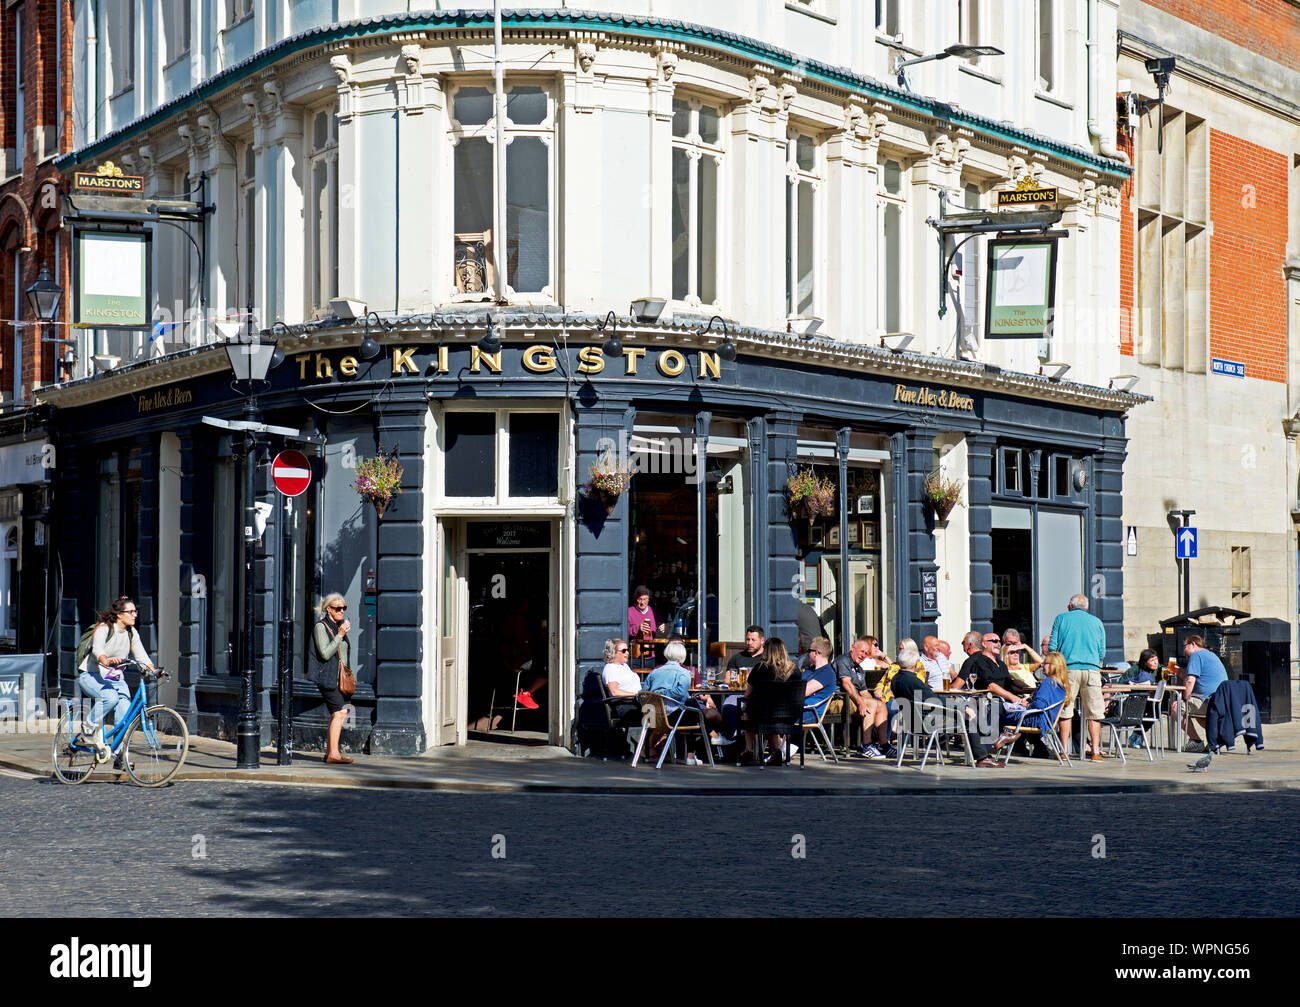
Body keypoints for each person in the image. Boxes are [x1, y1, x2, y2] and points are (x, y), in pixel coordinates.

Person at [76, 597, 156, 769]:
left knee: (125, 712)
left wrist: (154, 670)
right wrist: (105, 660)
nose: (135, 615)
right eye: (131, 612)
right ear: (119, 615)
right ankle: (87, 730)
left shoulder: (131, 633)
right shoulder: (104, 628)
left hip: (114, 678)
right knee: (110, 698)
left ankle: (119, 755)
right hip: (91, 675)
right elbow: (98, 650)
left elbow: (141, 655)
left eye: (136, 611)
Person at [889, 662, 999, 768]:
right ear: (914, 664)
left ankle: (987, 745)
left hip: (912, 724)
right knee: (967, 716)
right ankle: (983, 756)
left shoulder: (895, 680)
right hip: (927, 722)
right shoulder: (914, 681)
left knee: (968, 708)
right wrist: (963, 708)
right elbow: (934, 700)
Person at [1048, 594, 1107, 762]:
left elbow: (1052, 646)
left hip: (1068, 670)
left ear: (1070, 605)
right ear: (1086, 607)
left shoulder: (1061, 618)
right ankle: (1095, 751)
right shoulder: (1097, 622)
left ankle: (1063, 750)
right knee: (1094, 712)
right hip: (1092, 669)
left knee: (1066, 709)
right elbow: (1102, 651)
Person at [644, 640, 718, 763]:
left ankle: (690, 756)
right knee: (692, 708)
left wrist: (657, 695)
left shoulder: (654, 672)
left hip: (653, 717)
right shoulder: (684, 673)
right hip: (671, 718)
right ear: (683, 656)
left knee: (691, 710)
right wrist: (664, 694)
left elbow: (642, 695)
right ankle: (713, 735)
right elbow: (680, 694)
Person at [994, 651, 1070, 753]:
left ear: (1054, 666)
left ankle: (1001, 741)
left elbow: (1039, 705)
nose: (1042, 665)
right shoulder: (1061, 685)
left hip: (1036, 720)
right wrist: (1031, 699)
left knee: (1000, 713)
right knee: (1012, 714)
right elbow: (1047, 701)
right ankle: (1013, 739)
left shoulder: (1048, 681)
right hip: (1047, 721)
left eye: (1045, 663)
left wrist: (1028, 704)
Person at [312, 593, 355, 764]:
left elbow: (342, 655)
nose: (341, 611)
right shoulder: (321, 627)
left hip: (340, 679)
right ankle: (333, 754)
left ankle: (331, 752)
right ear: (328, 609)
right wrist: (340, 635)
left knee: (337, 714)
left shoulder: (338, 626)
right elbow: (325, 653)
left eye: (344, 608)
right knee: (340, 712)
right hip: (328, 677)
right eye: (338, 608)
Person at [832, 634, 889, 758]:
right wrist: (861, 703)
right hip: (839, 700)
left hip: (852, 699)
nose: (863, 655)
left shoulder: (859, 669)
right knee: (871, 704)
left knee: (880, 704)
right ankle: (866, 745)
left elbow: (864, 692)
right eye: (862, 651)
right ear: (853, 648)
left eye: (866, 653)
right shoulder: (843, 661)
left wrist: (876, 702)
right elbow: (847, 684)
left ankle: (883, 745)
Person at [1175, 635, 1228, 752]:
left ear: (1193, 644)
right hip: (1220, 701)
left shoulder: (1196, 656)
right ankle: (1216, 738)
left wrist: (1184, 698)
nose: (1184, 650)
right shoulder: (1210, 655)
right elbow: (1192, 678)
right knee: (1199, 716)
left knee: (1176, 707)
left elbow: (1190, 682)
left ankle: (1196, 741)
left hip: (1208, 700)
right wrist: (1179, 672)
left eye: (1185, 646)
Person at [600, 638, 642, 727]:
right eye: (624, 650)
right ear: (614, 653)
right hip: (625, 704)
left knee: (660, 713)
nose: (627, 653)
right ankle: (648, 739)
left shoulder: (624, 666)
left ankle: (655, 738)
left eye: (628, 650)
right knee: (652, 716)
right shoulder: (610, 669)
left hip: (636, 702)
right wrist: (636, 695)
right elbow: (614, 692)